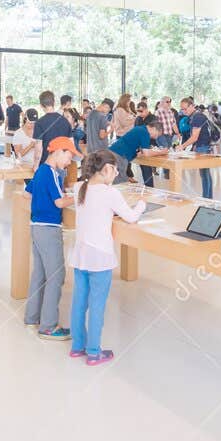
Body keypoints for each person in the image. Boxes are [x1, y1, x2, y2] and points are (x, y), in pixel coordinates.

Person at [69, 150, 146, 366]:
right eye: (115, 168)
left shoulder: (79, 188)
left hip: (81, 254)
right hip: (100, 256)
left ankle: (77, 346)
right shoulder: (110, 193)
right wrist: (141, 205)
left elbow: (94, 209)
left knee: (79, 302)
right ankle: (94, 352)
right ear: (106, 169)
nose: (118, 172)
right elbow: (130, 217)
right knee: (97, 305)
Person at [24, 136, 77, 340]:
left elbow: (29, 194)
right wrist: (79, 195)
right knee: (56, 275)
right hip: (49, 228)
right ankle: (48, 326)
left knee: (40, 273)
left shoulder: (40, 171)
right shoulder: (52, 173)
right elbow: (59, 203)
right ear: (58, 151)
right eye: (69, 156)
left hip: (36, 227)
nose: (70, 162)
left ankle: (32, 317)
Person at [179, 96, 221, 198]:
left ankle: (206, 198)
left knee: (204, 174)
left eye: (185, 108)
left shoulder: (197, 117)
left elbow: (194, 137)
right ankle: (208, 198)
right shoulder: (197, 116)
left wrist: (182, 146)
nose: (184, 111)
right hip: (204, 146)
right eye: (182, 109)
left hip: (203, 148)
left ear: (192, 106)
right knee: (206, 174)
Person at [108, 113, 157, 186]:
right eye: (157, 134)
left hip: (114, 152)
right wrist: (162, 152)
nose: (155, 137)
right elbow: (146, 153)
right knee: (120, 183)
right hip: (120, 155)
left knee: (117, 180)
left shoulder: (139, 129)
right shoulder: (145, 133)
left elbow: (133, 143)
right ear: (154, 128)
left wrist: (138, 153)